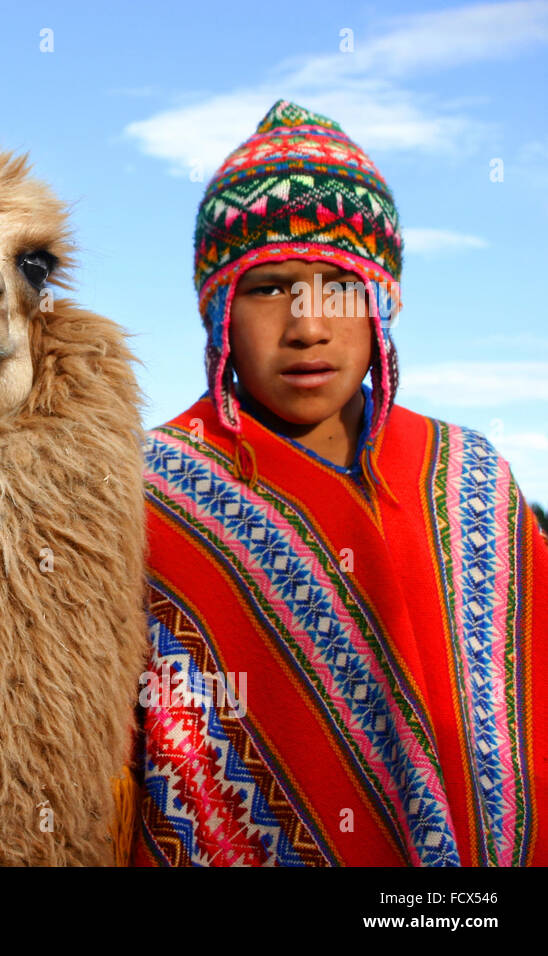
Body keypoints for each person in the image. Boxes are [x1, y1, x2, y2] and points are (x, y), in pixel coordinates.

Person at [136, 100, 548, 866]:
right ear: (219, 308)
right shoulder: (150, 493)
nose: (308, 326)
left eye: (339, 285)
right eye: (269, 287)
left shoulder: (471, 479)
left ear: (380, 302)